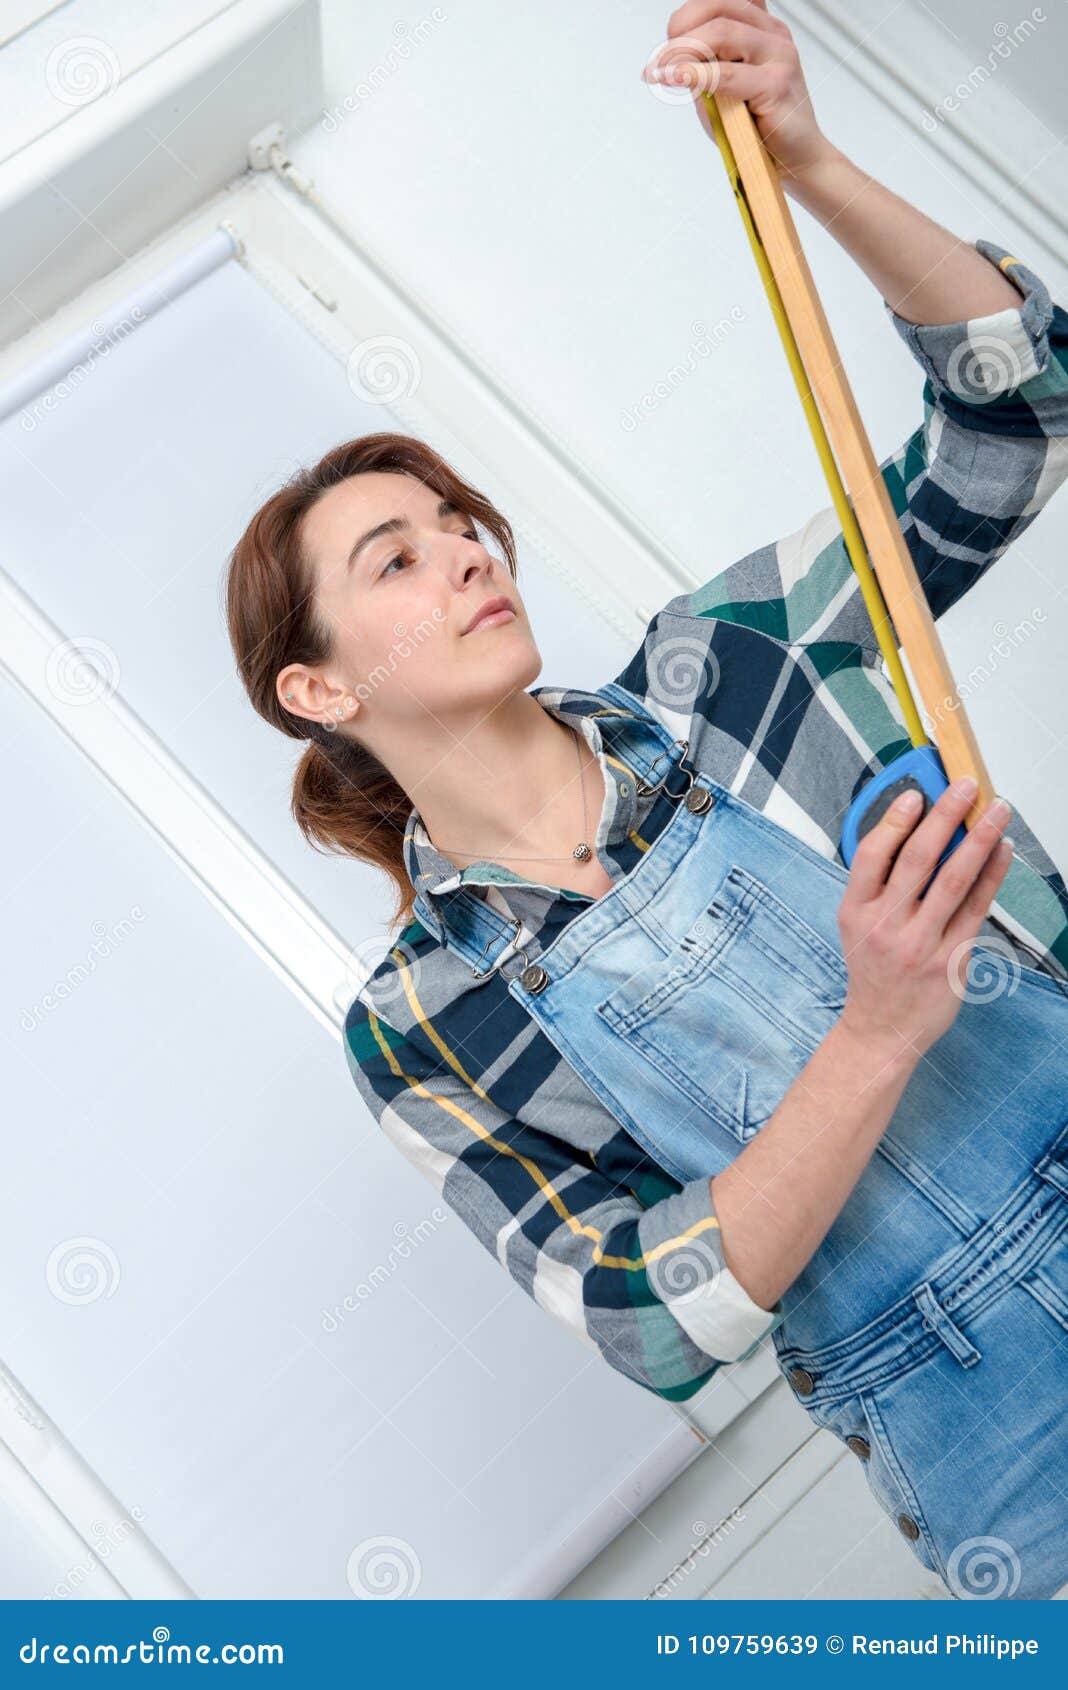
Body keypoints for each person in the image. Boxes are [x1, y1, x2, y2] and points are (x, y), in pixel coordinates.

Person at [225, 3, 1068, 1599]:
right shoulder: (421, 1019)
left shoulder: (740, 660)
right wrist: (874, 1031)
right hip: (1000, 1460)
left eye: (462, 520)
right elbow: (651, 1319)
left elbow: (1015, 416)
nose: (472, 548)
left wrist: (810, 163)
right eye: (397, 557)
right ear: (319, 690)